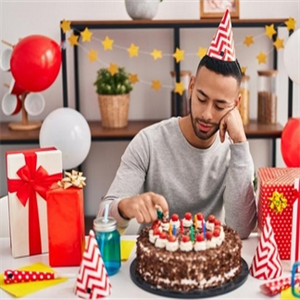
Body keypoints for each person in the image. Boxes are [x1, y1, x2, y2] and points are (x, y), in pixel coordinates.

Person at [97, 10, 257, 239]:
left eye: (220, 106)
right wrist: (124, 206)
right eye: (201, 99)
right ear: (191, 86)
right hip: (155, 267)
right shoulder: (148, 142)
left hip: (209, 265)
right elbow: (103, 217)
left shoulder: (234, 153)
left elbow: (240, 230)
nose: (208, 115)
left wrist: (240, 143)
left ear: (236, 104)